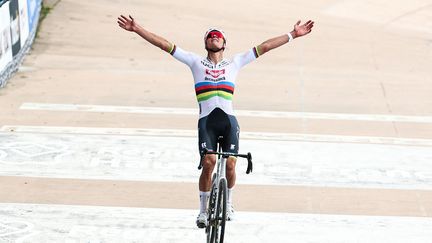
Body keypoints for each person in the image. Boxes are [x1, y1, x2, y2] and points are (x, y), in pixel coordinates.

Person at [117, 15, 314, 228]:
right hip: (207, 121)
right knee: (209, 162)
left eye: (218, 36)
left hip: (228, 120)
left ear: (224, 43)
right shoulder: (195, 61)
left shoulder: (235, 62)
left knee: (231, 163)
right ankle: (202, 212)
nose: (214, 38)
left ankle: (228, 203)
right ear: (206, 43)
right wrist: (138, 29)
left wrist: (293, 34)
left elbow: (265, 46)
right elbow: (165, 45)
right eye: (210, 36)